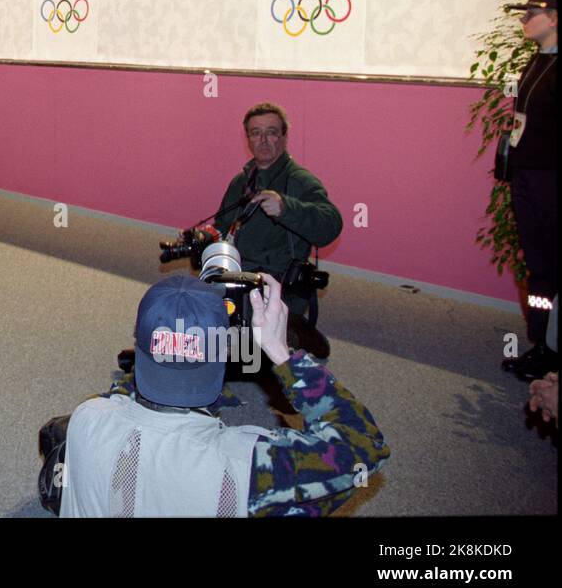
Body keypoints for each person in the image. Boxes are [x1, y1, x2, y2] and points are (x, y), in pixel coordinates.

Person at [57, 274, 389, 517]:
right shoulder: (250, 467)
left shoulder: (87, 417)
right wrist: (281, 353)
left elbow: (123, 392)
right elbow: (364, 446)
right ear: (222, 358)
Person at [213, 103, 342, 351]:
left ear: (284, 137)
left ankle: (291, 331)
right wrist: (202, 238)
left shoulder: (300, 181)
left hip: (277, 282)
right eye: (255, 133)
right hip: (239, 272)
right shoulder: (242, 180)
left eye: (271, 132)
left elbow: (331, 225)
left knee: (241, 345)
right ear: (248, 139)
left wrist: (286, 209)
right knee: (191, 303)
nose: (263, 140)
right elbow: (222, 226)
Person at [501, 0, 558, 382]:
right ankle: (541, 345)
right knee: (538, 268)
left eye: (531, 14)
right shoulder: (537, 61)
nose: (523, 20)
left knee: (553, 267)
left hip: (551, 182)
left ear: (554, 18)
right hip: (526, 179)